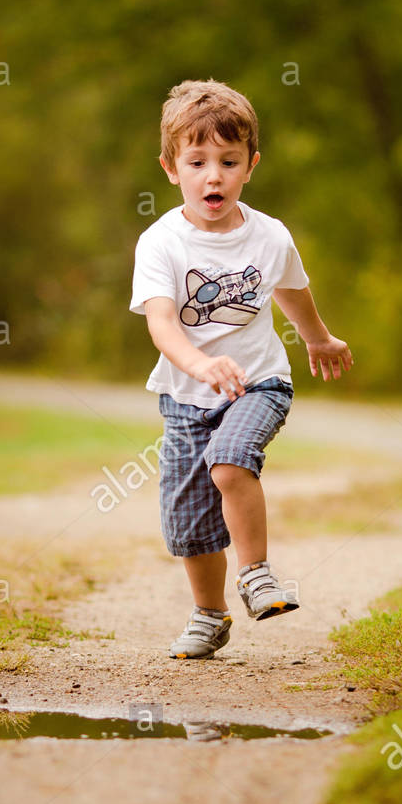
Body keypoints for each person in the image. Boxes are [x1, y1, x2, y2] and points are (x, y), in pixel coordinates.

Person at [129, 78, 353, 659]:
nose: (214, 176)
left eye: (228, 162)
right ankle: (210, 614)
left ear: (250, 165)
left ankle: (257, 575)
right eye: (197, 161)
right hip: (185, 396)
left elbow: (293, 291)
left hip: (260, 383)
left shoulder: (270, 235)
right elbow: (161, 324)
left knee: (230, 463)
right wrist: (200, 365)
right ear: (170, 168)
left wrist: (320, 339)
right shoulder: (160, 244)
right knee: (187, 522)